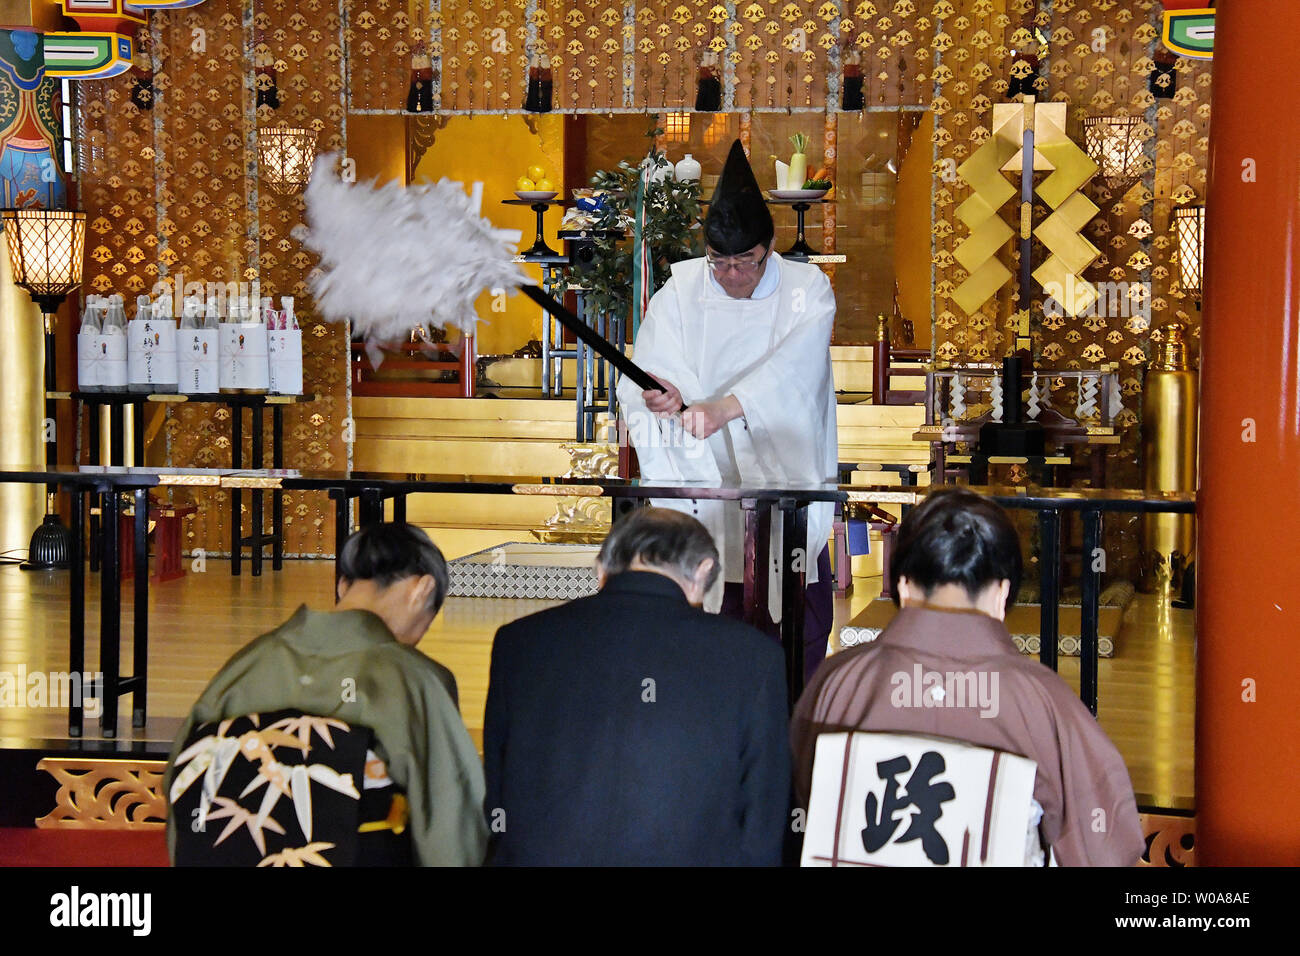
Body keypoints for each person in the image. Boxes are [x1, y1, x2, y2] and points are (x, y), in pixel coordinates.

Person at [790, 488, 1145, 866]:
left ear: (905, 587)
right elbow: (1105, 846)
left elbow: (808, 801)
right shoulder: (1042, 701)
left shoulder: (838, 684)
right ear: (1001, 594)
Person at [615, 138, 838, 683]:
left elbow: (796, 375)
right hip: (703, 489)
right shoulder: (682, 289)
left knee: (791, 634)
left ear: (770, 249)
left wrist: (726, 408)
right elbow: (648, 373)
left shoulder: (808, 290)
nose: (731, 274)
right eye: (720, 262)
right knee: (708, 642)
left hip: (782, 486)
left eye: (745, 262)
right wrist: (663, 397)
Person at [165, 522, 487, 866]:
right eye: (427, 620)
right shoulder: (414, 677)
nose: (418, 637)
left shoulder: (246, 664)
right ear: (422, 590)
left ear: (343, 584)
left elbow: (184, 783)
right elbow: (450, 817)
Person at [482, 507, 790, 865]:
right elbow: (762, 826)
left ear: (601, 570)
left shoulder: (519, 642)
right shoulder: (754, 656)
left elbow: (498, 795)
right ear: (703, 570)